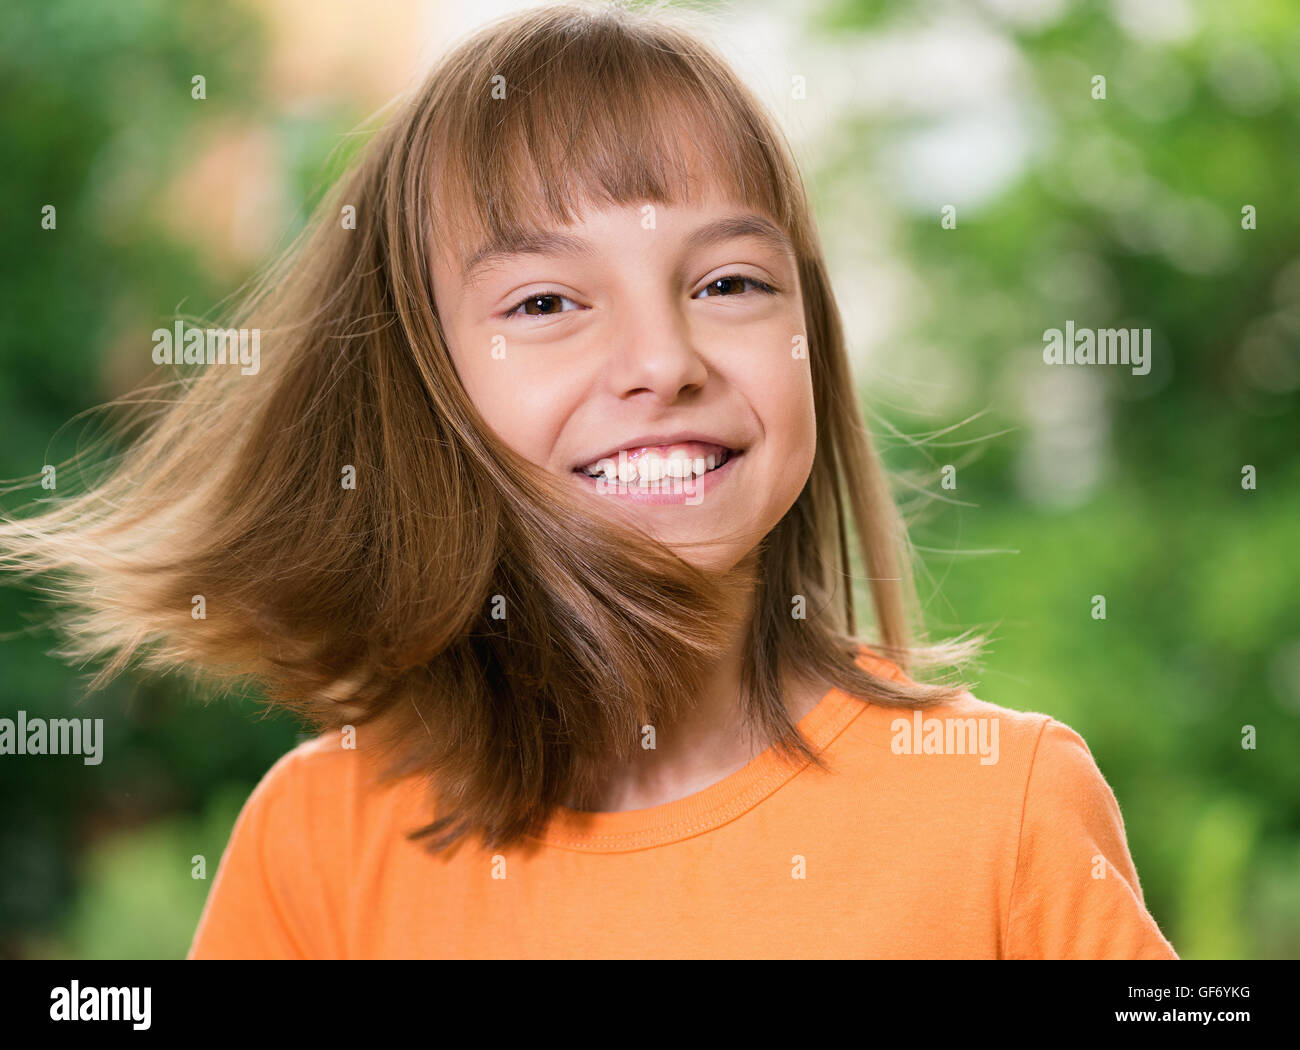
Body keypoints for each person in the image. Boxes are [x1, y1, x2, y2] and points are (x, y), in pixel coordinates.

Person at [0, 1, 1177, 959]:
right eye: (547, 303)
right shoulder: (320, 842)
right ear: (426, 398)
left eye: (727, 284)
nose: (664, 362)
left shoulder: (1003, 807)